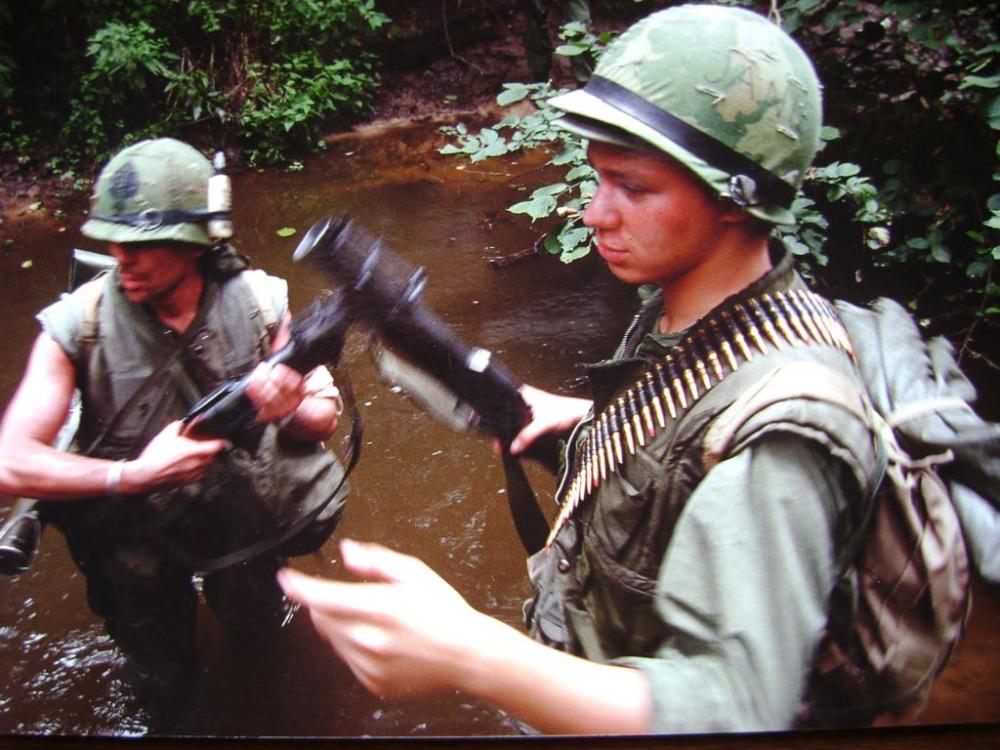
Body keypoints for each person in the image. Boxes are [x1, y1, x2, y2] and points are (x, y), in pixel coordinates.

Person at [277, 4, 882, 734]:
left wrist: (473, 655)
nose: (595, 213)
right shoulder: (689, 319)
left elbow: (739, 710)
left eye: (634, 187)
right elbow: (685, 462)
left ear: (735, 195)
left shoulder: (786, 433)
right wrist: (592, 424)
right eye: (598, 180)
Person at [0, 138, 348, 706]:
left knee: (266, 656)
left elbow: (323, 420)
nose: (121, 255)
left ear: (193, 243)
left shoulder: (261, 302)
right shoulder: (76, 326)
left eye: (142, 243)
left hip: (242, 524)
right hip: (134, 538)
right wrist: (134, 476)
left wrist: (287, 407)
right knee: (164, 683)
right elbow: (9, 461)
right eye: (113, 238)